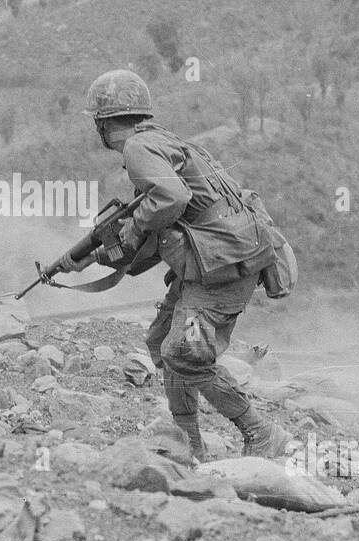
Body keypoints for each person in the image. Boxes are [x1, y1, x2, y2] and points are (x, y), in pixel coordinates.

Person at [75, 69, 290, 461]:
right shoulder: (165, 142)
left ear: (103, 123)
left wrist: (132, 228)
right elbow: (174, 219)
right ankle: (188, 443)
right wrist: (105, 253)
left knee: (183, 354)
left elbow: (170, 198)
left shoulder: (138, 150)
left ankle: (262, 432)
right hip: (220, 261)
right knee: (161, 342)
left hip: (222, 269)